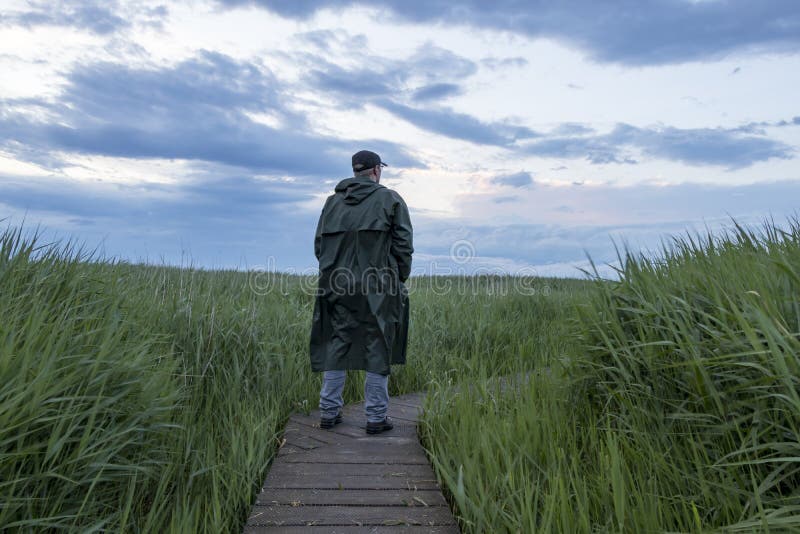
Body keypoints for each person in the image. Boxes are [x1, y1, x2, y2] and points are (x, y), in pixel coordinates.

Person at [309, 149, 413, 435]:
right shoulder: (390, 199)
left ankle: (329, 412)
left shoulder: (332, 203)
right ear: (376, 171)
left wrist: (334, 273)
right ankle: (376, 418)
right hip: (379, 286)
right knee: (377, 344)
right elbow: (404, 245)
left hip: (336, 285)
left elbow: (320, 247)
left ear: (355, 171)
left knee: (336, 343)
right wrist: (398, 277)